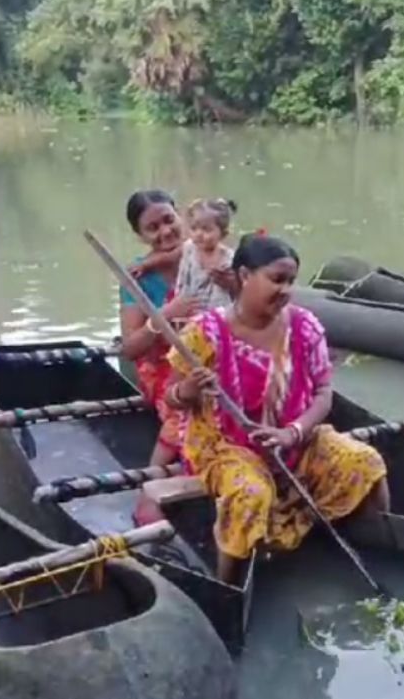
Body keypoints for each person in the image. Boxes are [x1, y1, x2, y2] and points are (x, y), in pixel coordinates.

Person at [164, 232, 390, 584]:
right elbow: (170, 397)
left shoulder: (304, 326)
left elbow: (323, 394)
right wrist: (189, 389)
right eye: (276, 279)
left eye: (291, 281)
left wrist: (292, 432)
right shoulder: (205, 333)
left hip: (297, 436)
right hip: (228, 445)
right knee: (250, 495)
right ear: (243, 276)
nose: (285, 290)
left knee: (367, 462)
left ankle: (377, 551)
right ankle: (230, 586)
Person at [118, 189, 201, 467]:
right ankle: (156, 481)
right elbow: (129, 348)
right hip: (165, 369)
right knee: (195, 409)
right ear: (140, 236)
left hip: (210, 360)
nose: (165, 231)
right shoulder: (136, 279)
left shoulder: (205, 253)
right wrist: (164, 316)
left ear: (180, 216)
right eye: (152, 228)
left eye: (169, 220)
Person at [175, 198, 239, 309]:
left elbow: (236, 292)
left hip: (218, 313)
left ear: (223, 234)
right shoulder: (189, 249)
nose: (198, 234)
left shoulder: (229, 258)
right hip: (189, 311)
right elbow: (182, 280)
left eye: (206, 230)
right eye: (194, 228)